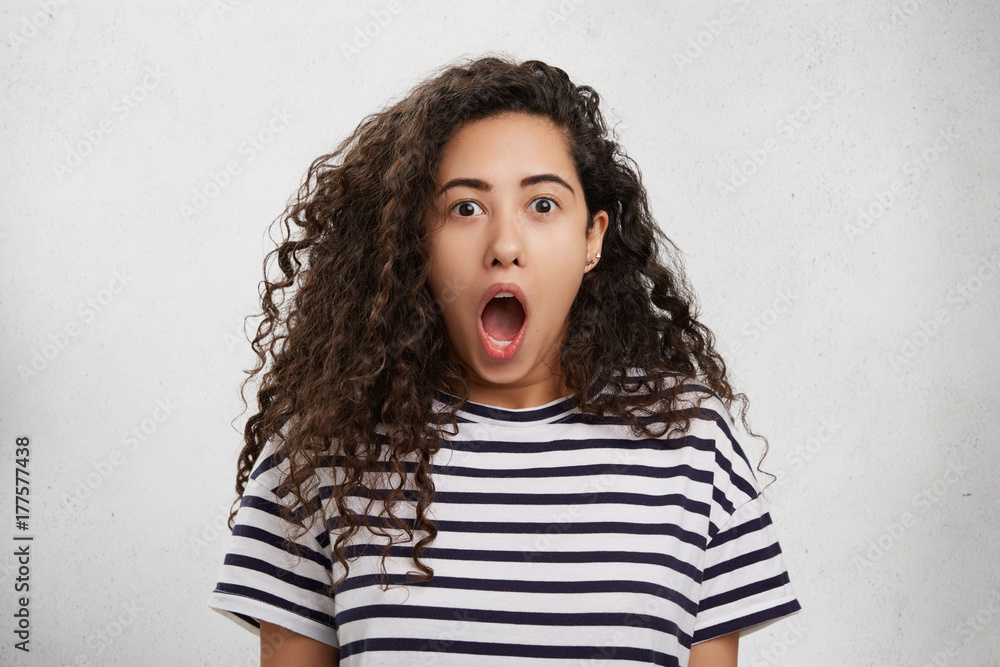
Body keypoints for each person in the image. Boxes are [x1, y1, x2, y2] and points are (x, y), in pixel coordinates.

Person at [208, 55, 802, 667]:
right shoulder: (318, 450)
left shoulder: (692, 445)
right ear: (416, 239)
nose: (505, 246)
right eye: (466, 208)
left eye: (542, 204)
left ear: (593, 238)